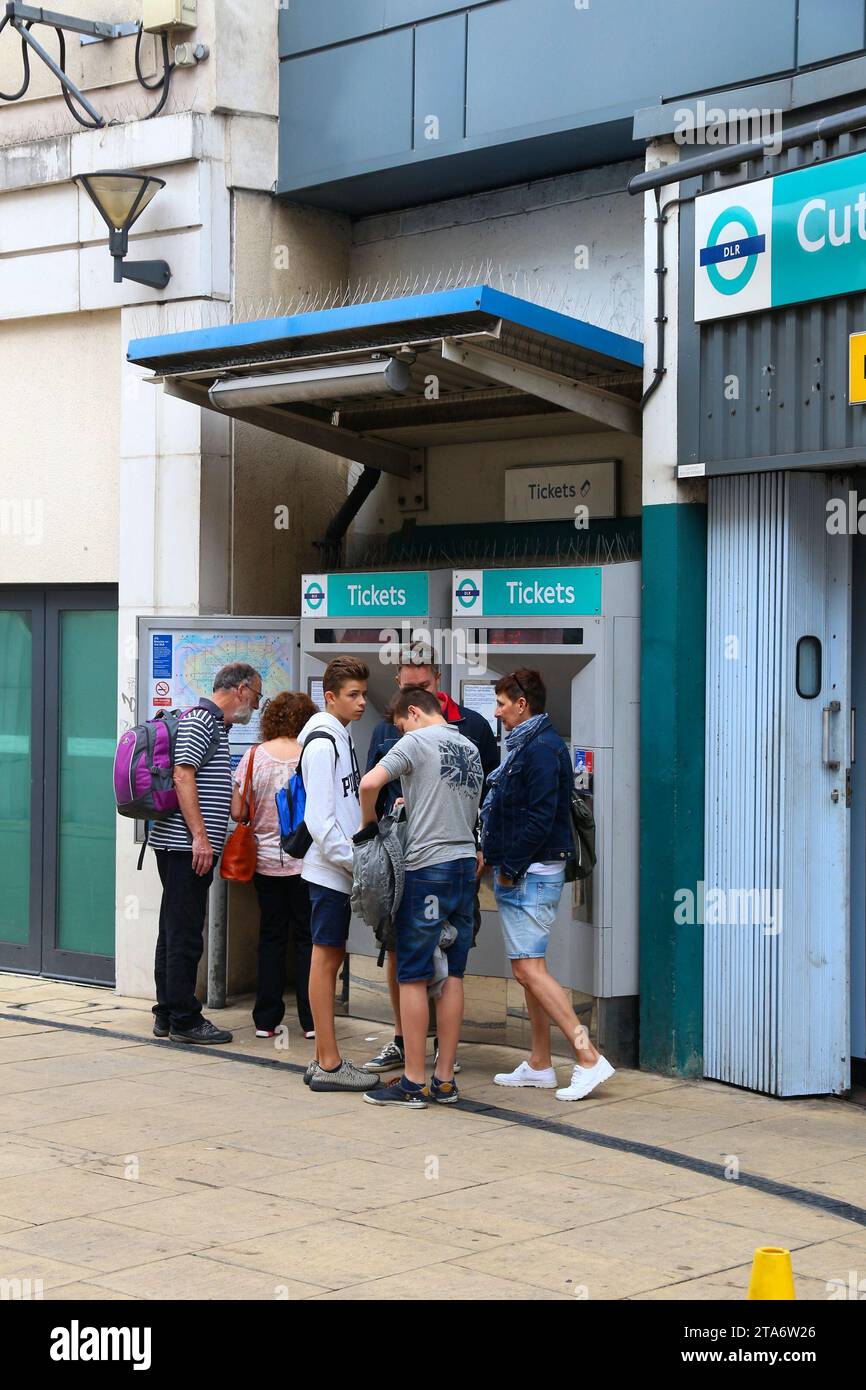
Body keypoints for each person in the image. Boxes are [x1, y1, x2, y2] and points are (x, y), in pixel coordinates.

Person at [362, 646, 498, 1076]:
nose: (399, 729)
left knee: (414, 972)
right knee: (453, 972)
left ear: (418, 708)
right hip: (461, 862)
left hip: (424, 863)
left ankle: (414, 1080)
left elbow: (369, 784)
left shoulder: (417, 738)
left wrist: (368, 832)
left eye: (403, 719)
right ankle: (443, 1077)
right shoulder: (468, 745)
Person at [480, 668, 615, 1101]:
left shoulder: (540, 749)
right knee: (529, 970)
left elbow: (539, 817)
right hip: (527, 870)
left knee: (528, 969)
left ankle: (589, 1057)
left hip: (530, 873)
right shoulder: (529, 745)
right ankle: (540, 1063)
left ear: (523, 704)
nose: (497, 712)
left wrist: (510, 866)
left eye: (502, 703)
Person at [149, 662, 263, 1044]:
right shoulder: (201, 720)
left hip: (183, 846)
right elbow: (183, 774)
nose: (257, 706)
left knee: (173, 929)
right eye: (257, 696)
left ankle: (167, 1013)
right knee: (184, 933)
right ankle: (185, 1019)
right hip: (185, 847)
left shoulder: (214, 724)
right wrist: (200, 837)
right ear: (242, 689)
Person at [302, 657, 380, 1094]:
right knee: (325, 959)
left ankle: (323, 1059)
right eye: (353, 694)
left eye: (364, 694)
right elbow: (320, 820)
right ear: (329, 697)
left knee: (328, 958)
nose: (362, 702)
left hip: (337, 870)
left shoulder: (339, 736)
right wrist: (356, 861)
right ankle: (329, 1063)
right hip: (330, 871)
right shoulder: (322, 743)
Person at [231, 691, 318, 1041]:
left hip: (265, 862)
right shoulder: (312, 755)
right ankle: (312, 1021)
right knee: (307, 939)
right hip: (307, 864)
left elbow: (239, 812)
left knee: (271, 937)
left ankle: (266, 1020)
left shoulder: (254, 757)